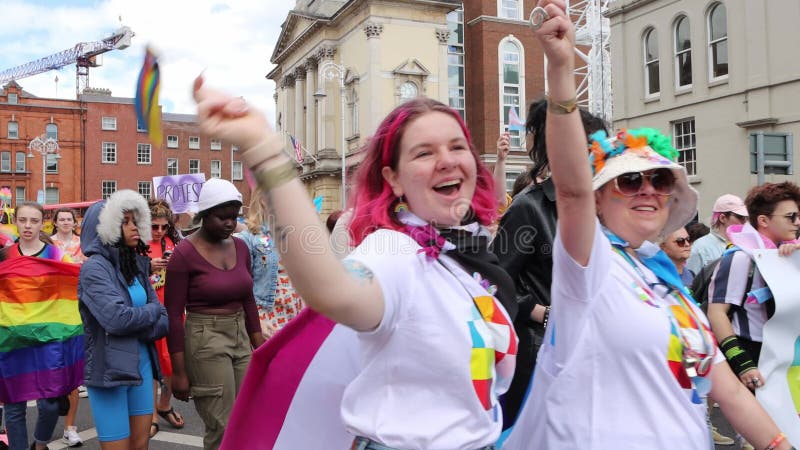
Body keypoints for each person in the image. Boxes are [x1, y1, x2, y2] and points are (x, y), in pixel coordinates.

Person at [503, 2, 792, 449]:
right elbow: (572, 191)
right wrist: (561, 69)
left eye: (659, 179)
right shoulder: (590, 262)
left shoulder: (670, 287)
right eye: (628, 180)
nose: (646, 189)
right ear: (598, 197)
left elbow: (729, 392)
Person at [192, 75, 518, 449]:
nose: (446, 161)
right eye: (424, 153)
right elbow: (332, 289)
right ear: (393, 179)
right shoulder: (393, 253)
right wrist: (265, 152)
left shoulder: (469, 250)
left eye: (457, 146)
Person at [491, 98, 608, 427]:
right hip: (541, 353)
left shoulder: (606, 207)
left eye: (600, 147)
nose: (596, 156)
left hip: (593, 348)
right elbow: (492, 279)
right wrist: (537, 311)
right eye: (587, 147)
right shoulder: (529, 208)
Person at [165, 178, 264, 450]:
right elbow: (173, 316)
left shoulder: (241, 247)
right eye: (223, 218)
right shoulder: (183, 254)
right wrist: (179, 373)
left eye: (234, 217)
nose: (231, 224)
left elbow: (248, 298)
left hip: (239, 335)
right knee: (222, 425)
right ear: (204, 216)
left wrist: (260, 346)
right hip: (204, 339)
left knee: (247, 416)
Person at [78, 191, 169, 450]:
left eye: (134, 220)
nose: (134, 227)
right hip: (110, 370)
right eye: (125, 221)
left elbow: (164, 321)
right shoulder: (94, 268)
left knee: (140, 446)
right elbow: (117, 319)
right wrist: (150, 314)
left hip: (141, 367)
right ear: (105, 227)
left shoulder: (135, 264)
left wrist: (141, 318)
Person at [0, 202, 74, 450]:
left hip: (47, 339)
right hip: (11, 339)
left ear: (42, 222)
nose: (28, 226)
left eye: (33, 220)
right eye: (23, 220)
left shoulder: (55, 255)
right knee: (13, 404)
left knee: (50, 404)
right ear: (16, 222)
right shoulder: (5, 255)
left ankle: (40, 444)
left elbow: (72, 282)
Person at [146, 200, 184, 436]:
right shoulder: (137, 243)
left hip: (172, 309)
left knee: (171, 362)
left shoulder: (174, 242)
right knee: (151, 364)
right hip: (149, 311)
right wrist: (147, 266)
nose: (159, 231)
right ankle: (149, 415)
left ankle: (164, 405)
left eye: (163, 226)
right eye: (154, 226)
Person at [49, 207, 86, 447]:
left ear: (74, 222)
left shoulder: (82, 243)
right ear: (54, 222)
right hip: (49, 310)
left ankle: (70, 428)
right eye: (61, 219)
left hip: (74, 308)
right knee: (50, 369)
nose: (65, 222)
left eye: (69, 219)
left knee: (72, 371)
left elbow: (87, 270)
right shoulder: (46, 244)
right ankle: (45, 424)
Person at [686, 194, 748, 274]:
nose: (745, 222)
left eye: (746, 218)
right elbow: (693, 282)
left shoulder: (745, 245)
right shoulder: (701, 247)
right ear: (722, 218)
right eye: (740, 217)